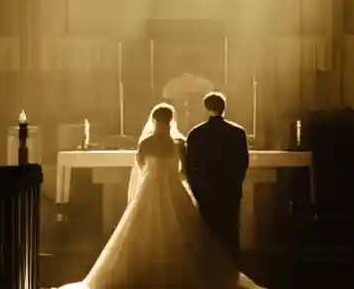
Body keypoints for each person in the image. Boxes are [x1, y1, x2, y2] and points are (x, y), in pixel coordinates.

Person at [60, 103, 262, 289]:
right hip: (174, 189)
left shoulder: (145, 144)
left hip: (149, 189)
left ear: (154, 120)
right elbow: (185, 171)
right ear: (171, 120)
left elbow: (141, 167)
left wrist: (155, 175)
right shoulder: (179, 144)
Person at [185, 91, 250, 260]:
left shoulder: (196, 133)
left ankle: (208, 266)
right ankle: (232, 266)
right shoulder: (237, 132)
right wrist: (236, 184)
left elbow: (190, 165)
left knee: (208, 230)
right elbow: (242, 162)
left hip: (206, 190)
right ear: (224, 108)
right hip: (230, 189)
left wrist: (197, 188)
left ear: (206, 108)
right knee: (230, 228)